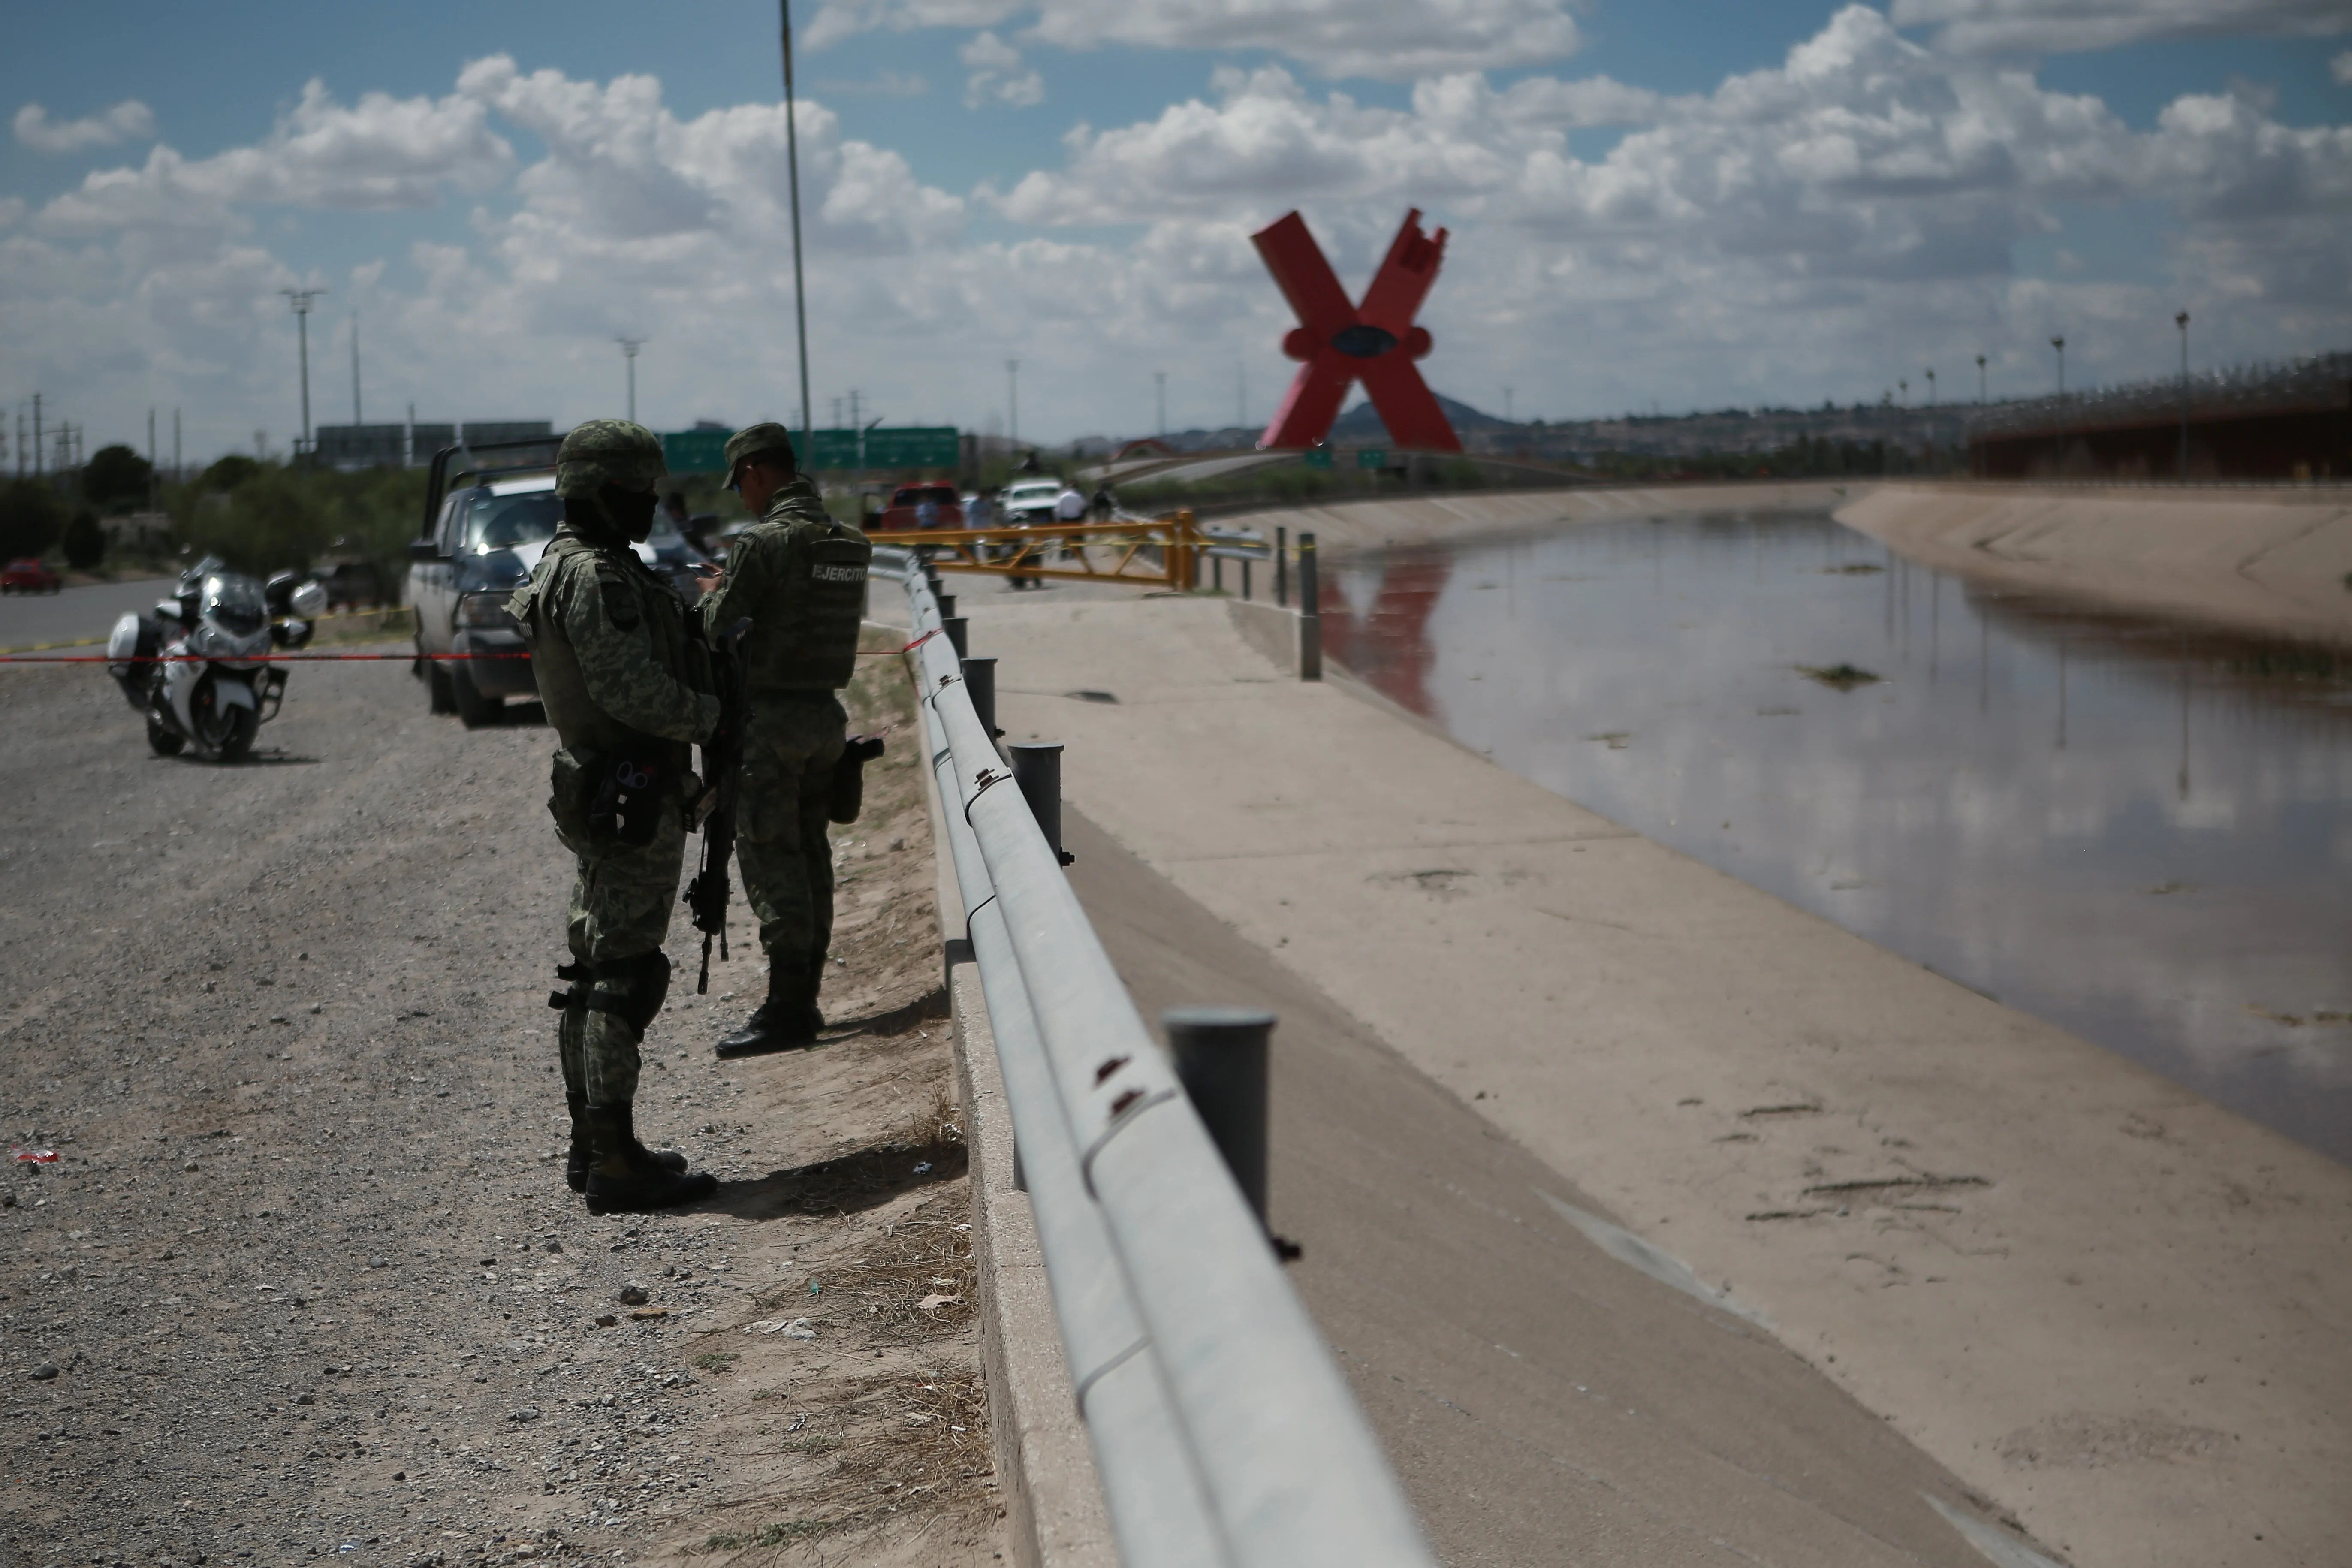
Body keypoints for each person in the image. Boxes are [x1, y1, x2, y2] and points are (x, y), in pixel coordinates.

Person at [508, 419, 720, 1212]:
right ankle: (616, 1161)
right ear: (599, 493)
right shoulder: (594, 577)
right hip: (630, 790)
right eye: (636, 493)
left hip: (607, 788)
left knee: (596, 966)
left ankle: (595, 1144)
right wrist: (712, 715)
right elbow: (631, 692)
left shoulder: (572, 566)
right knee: (625, 972)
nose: (649, 506)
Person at [699, 422, 873, 1058]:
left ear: (754, 474)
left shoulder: (762, 542)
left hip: (769, 727)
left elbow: (718, 626)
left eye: (740, 485)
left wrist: (710, 594)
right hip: (825, 721)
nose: (742, 498)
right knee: (812, 860)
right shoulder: (849, 541)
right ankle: (805, 997)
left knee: (773, 864)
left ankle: (787, 1009)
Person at [1053, 482, 1087, 562]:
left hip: (1065, 519)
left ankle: (1064, 554)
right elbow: (1083, 507)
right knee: (1078, 537)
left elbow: (1058, 510)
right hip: (1076, 519)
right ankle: (1078, 553)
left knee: (1066, 537)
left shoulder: (1062, 496)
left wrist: (1058, 520)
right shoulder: (1078, 496)